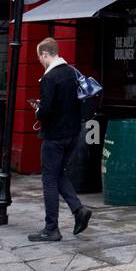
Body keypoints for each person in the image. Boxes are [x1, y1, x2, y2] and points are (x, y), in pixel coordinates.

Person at [28, 37, 91, 241]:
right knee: (59, 174)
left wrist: (38, 110)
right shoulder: (71, 72)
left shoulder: (49, 78)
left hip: (54, 136)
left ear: (46, 54)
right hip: (73, 134)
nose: (39, 61)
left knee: (49, 179)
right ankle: (78, 210)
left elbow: (46, 111)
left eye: (39, 57)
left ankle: (51, 229)